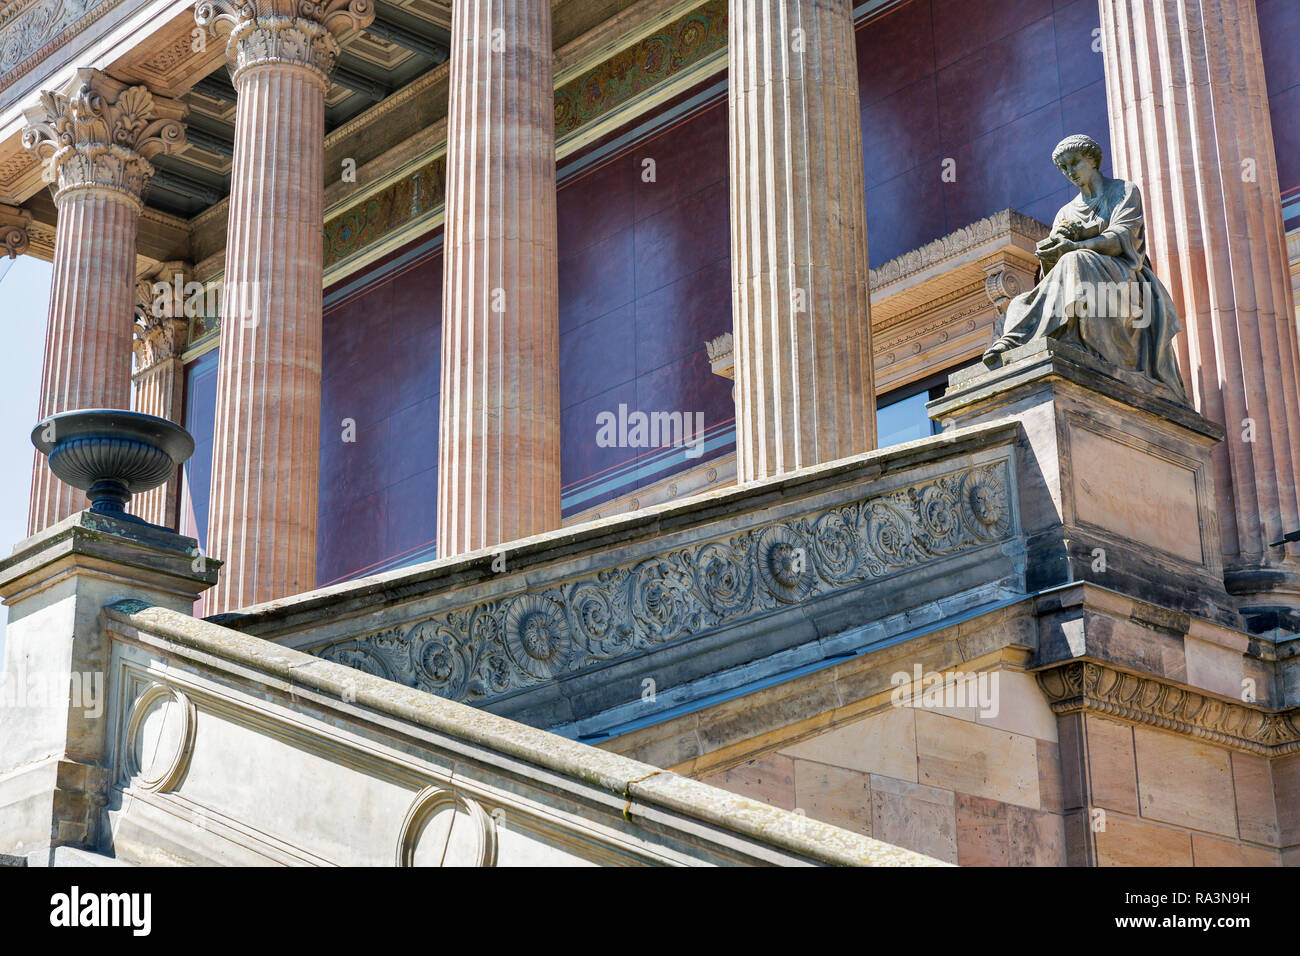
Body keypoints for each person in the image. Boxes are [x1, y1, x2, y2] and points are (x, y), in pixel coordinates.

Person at [982, 133, 1187, 401]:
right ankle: (1016, 341)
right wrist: (1050, 253)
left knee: (1076, 261)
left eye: (1074, 163)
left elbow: (1123, 238)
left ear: (1092, 160)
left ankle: (1045, 336)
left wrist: (1077, 247)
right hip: (1078, 274)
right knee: (1020, 301)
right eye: (1064, 168)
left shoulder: (1123, 192)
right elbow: (1052, 271)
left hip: (1124, 277)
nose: (1070, 172)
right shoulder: (1065, 212)